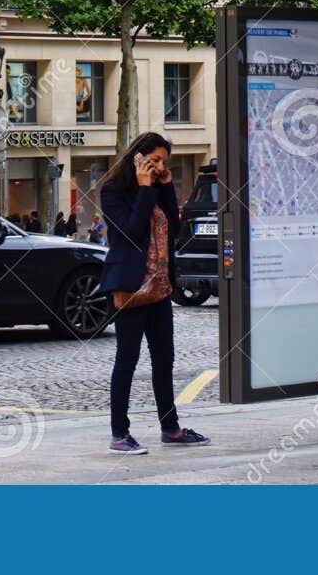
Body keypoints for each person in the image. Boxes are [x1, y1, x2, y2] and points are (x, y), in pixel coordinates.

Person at [98, 132, 209, 453]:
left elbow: (174, 228)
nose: (159, 166)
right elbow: (132, 231)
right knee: (127, 359)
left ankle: (170, 428)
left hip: (159, 288)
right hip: (130, 288)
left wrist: (164, 186)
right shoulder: (113, 191)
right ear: (137, 158)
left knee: (164, 360)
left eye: (164, 161)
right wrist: (145, 187)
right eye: (155, 160)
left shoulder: (157, 189)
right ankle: (119, 434)